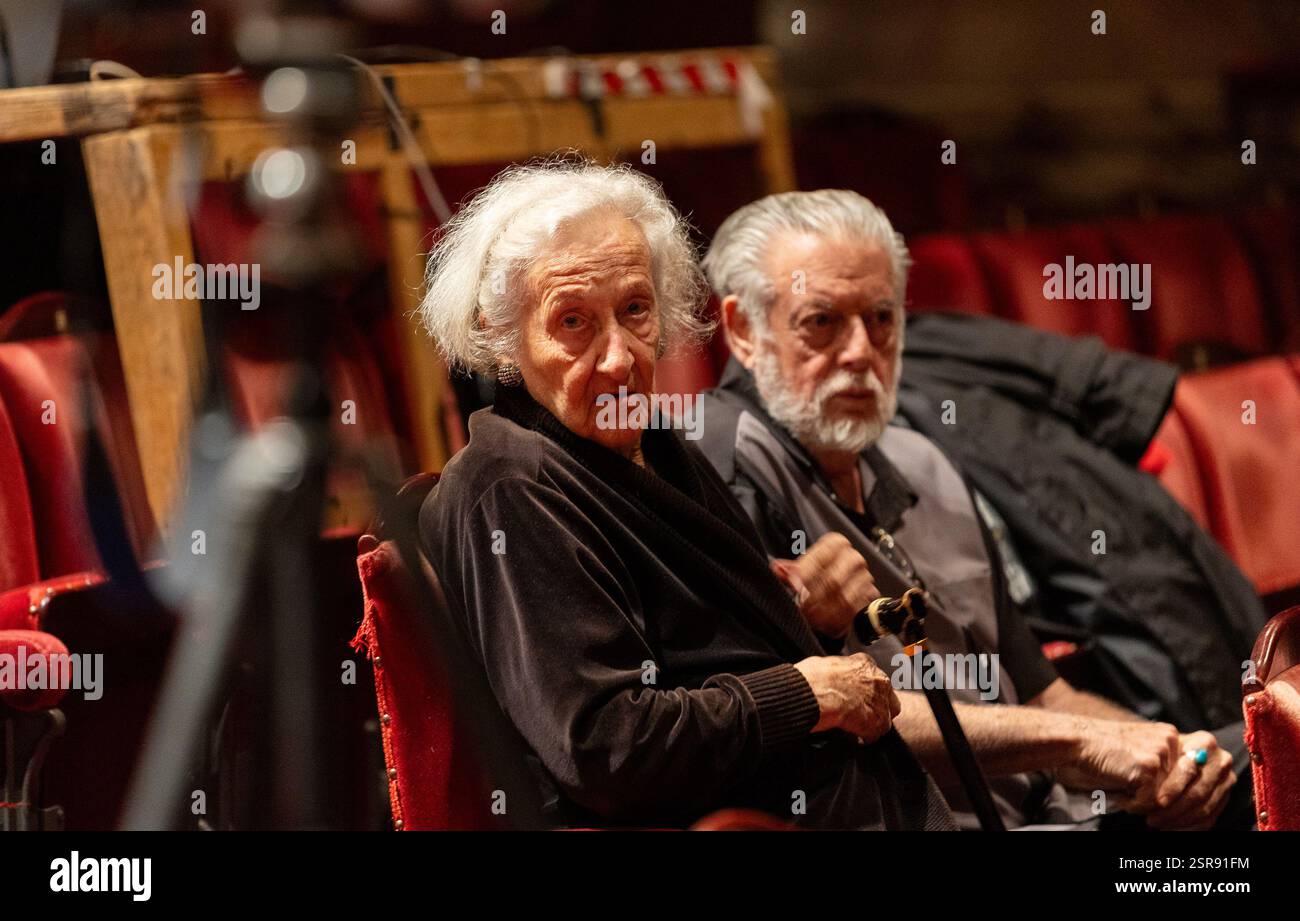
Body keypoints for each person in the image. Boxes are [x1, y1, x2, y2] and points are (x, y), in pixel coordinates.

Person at [415, 160, 955, 829]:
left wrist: (799, 611)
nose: (617, 358)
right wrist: (805, 693)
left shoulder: (657, 448)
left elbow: (703, 649)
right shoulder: (510, 491)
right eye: (573, 322)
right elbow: (605, 745)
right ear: (502, 338)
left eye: (635, 310)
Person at [698, 189, 1250, 829]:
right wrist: (1080, 743)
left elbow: (1049, 693)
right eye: (821, 322)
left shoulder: (923, 460)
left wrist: (1169, 761)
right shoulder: (722, 465)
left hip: (1071, 811)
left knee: (1266, 749)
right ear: (743, 329)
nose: (859, 351)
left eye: (881, 318)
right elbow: (815, 721)